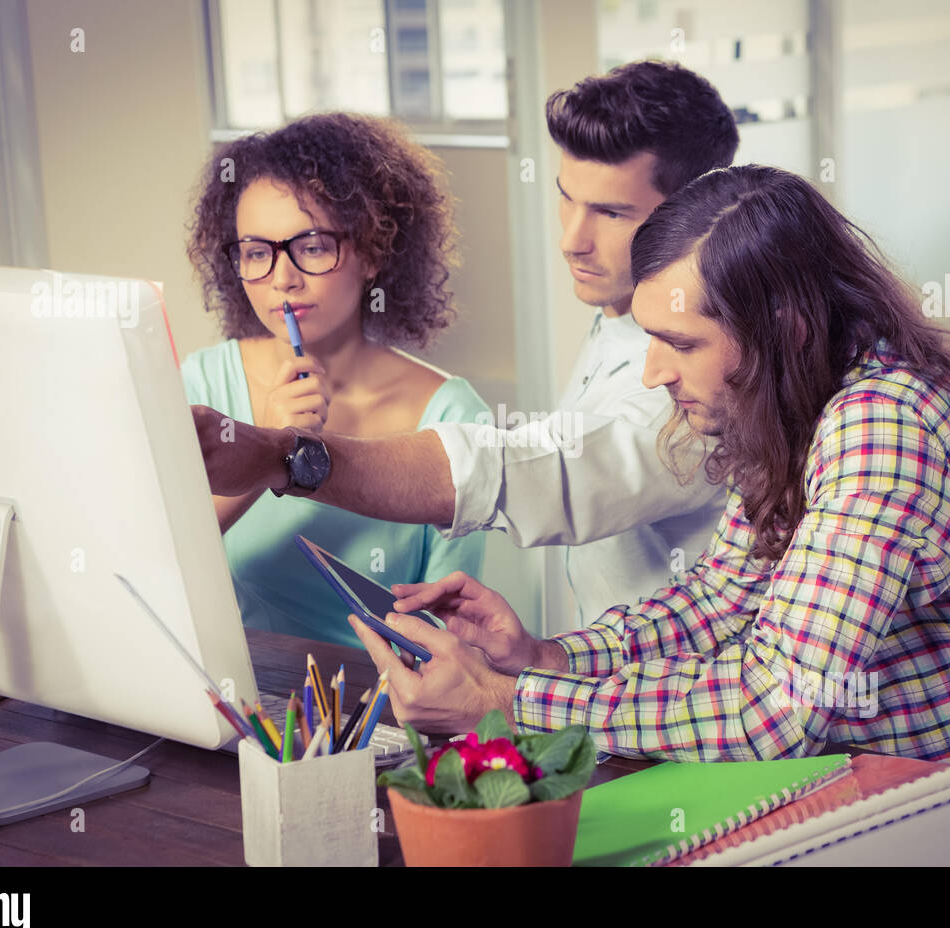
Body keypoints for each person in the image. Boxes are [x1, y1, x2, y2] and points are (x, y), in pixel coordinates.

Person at [346, 164, 950, 764]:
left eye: (681, 343)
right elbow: (722, 600)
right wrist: (541, 658)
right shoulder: (796, 392)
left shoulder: (884, 427)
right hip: (877, 771)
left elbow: (776, 711)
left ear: (787, 329)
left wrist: (507, 702)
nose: (652, 374)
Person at [191, 60, 738, 628]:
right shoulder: (620, 312)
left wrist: (285, 458)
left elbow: (549, 479)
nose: (572, 240)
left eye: (610, 212)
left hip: (678, 697)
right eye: (566, 198)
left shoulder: (708, 370)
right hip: (597, 666)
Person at [182, 112, 488, 647]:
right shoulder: (202, 382)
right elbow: (159, 562)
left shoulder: (453, 414)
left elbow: (450, 632)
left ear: (372, 251)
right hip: (236, 689)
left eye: (314, 246)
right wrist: (267, 447)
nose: (283, 279)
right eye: (257, 252)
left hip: (385, 705)